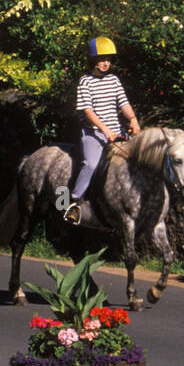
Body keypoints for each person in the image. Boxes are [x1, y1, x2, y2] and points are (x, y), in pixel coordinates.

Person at [64, 37, 140, 225]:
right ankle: (74, 203)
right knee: (90, 165)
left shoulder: (114, 80)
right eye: (102, 59)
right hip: (93, 133)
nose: (106, 63)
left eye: (108, 59)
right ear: (93, 60)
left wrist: (133, 119)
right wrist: (104, 129)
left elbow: (124, 103)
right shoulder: (85, 82)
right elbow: (87, 111)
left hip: (117, 131)